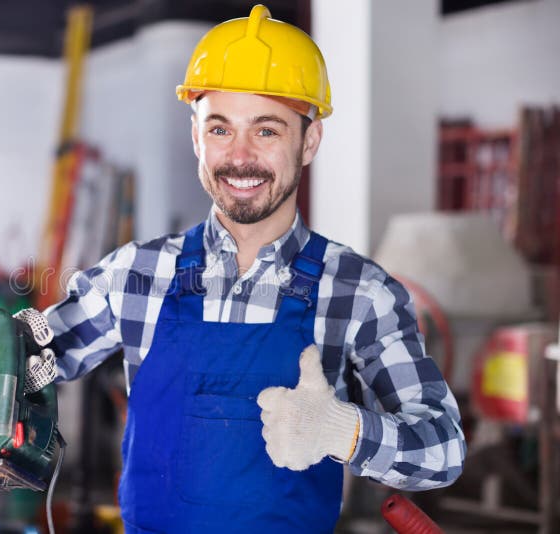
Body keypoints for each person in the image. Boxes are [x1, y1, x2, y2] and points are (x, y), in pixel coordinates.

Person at [43, 5, 465, 532]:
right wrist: (6, 359)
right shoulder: (135, 275)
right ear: (196, 137)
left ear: (308, 141)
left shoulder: (359, 292)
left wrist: (343, 430)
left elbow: (443, 451)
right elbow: (39, 355)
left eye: (266, 131)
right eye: (220, 128)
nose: (239, 157)